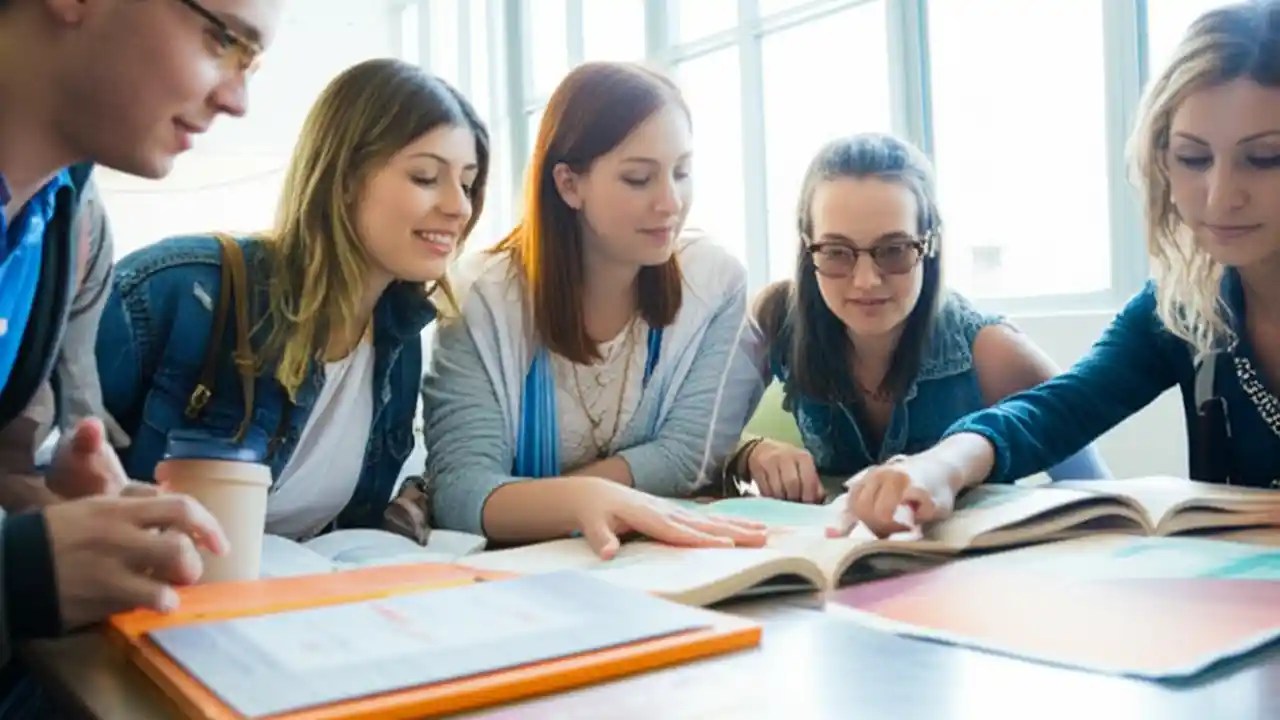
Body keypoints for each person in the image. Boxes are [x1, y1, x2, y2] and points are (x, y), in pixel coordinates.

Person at [838, 0, 1280, 539]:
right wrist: (939, 466)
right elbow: (1060, 406)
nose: (1220, 196)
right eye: (1192, 158)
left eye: (1265, 159)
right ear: (1161, 159)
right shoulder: (1182, 306)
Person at [0, 0, 282, 675]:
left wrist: (58, 507)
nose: (237, 99)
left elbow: (13, 465)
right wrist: (23, 574)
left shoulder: (77, 230)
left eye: (253, 60)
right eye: (221, 38)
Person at [96, 59, 488, 541]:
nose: (459, 207)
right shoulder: (179, 291)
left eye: (467, 184)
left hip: (284, 602)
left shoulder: (399, 340)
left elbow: (341, 533)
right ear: (343, 180)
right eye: (426, 177)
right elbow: (30, 474)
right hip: (141, 601)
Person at [422, 61, 767, 558]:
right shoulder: (482, 297)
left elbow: (687, 458)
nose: (670, 202)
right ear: (568, 185)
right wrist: (586, 498)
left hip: (645, 561)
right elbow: (461, 492)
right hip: (524, 576)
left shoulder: (713, 283)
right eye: (638, 178)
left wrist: (558, 498)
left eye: (682, 172)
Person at [737, 134, 1109, 504]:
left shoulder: (993, 351)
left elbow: (1102, 496)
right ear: (807, 247)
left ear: (928, 245)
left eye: (895, 250)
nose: (866, 280)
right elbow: (688, 443)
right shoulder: (775, 319)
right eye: (836, 251)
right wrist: (749, 452)